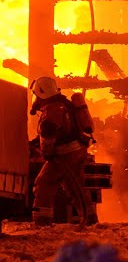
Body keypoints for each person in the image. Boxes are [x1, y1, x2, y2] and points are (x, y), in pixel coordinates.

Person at [28, 76, 95, 226]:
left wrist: (47, 152)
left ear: (41, 93)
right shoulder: (63, 104)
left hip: (64, 155)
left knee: (44, 183)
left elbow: (49, 132)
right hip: (76, 151)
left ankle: (42, 221)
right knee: (75, 185)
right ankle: (91, 220)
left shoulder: (52, 109)